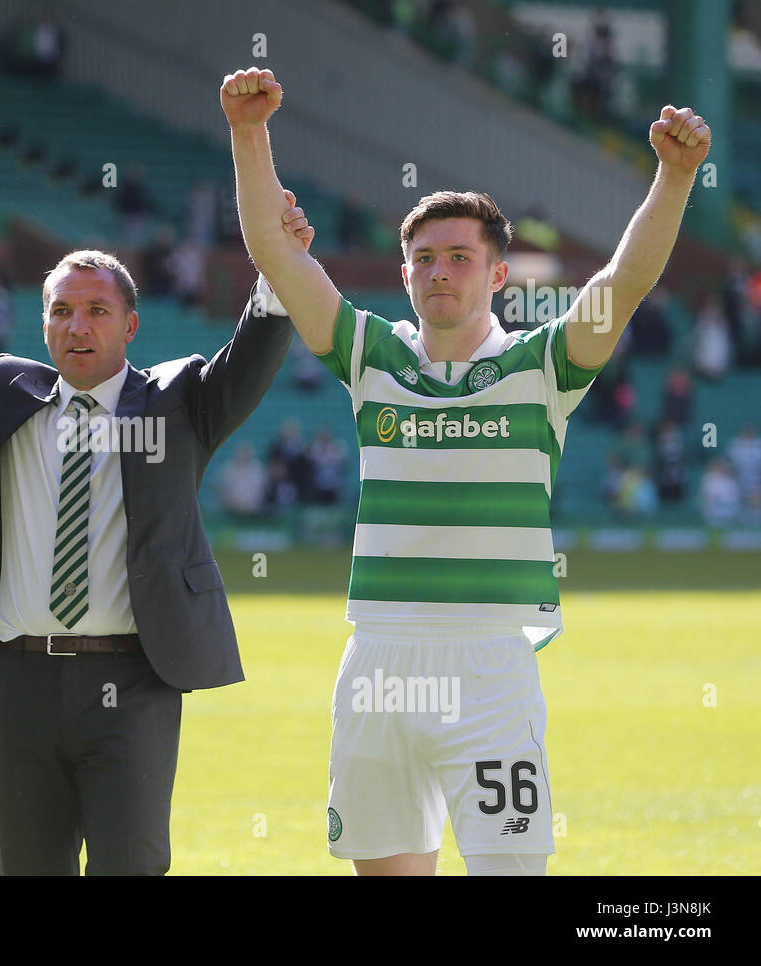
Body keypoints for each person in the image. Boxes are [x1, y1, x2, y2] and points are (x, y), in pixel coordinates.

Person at [223, 65, 710, 876]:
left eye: (458, 257)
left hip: (490, 664)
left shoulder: (544, 364)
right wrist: (249, 135)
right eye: (423, 259)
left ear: (497, 275)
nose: (439, 272)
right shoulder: (368, 355)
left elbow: (624, 284)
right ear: (406, 272)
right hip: (379, 661)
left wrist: (673, 176)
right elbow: (275, 250)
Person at [0, 188, 314, 877]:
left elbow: (254, 350)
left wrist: (279, 261)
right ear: (44, 322)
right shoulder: (9, 396)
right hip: (20, 681)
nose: (77, 325)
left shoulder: (179, 404)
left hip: (134, 678)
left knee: (130, 866)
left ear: (131, 326)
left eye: (96, 311)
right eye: (61, 310)